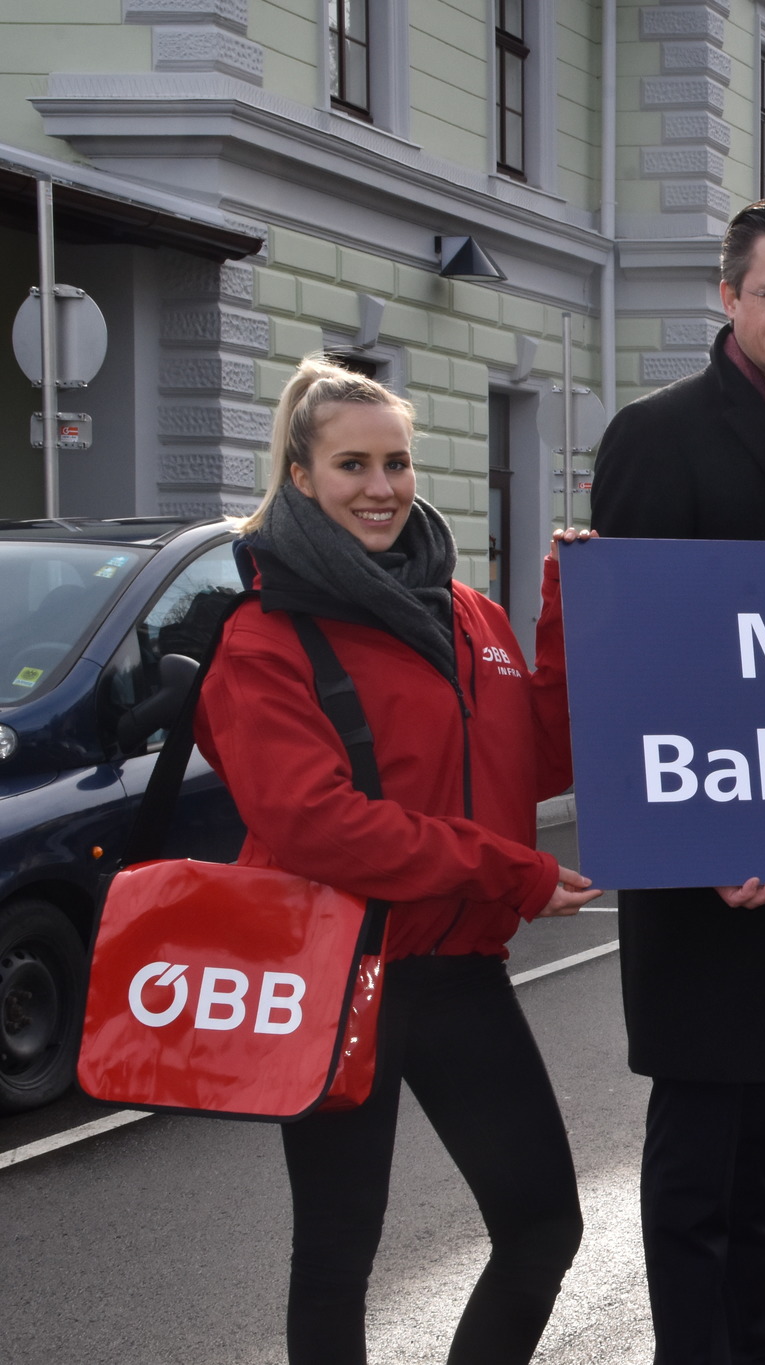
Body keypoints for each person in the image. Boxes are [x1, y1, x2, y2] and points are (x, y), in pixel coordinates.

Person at [195, 356, 599, 1365]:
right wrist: (513, 876)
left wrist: (569, 608)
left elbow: (533, 762)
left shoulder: (466, 615)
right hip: (338, 976)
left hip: (457, 967)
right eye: (351, 466)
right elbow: (315, 826)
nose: (380, 488)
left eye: (397, 463)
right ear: (300, 476)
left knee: (543, 1225)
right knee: (337, 1259)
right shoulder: (264, 633)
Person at [588, 196, 765, 1365]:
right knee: (701, 1138)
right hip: (707, 848)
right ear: (728, 296)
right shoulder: (655, 435)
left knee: (763, 1134)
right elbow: (637, 657)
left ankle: (756, 1344)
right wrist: (698, 842)